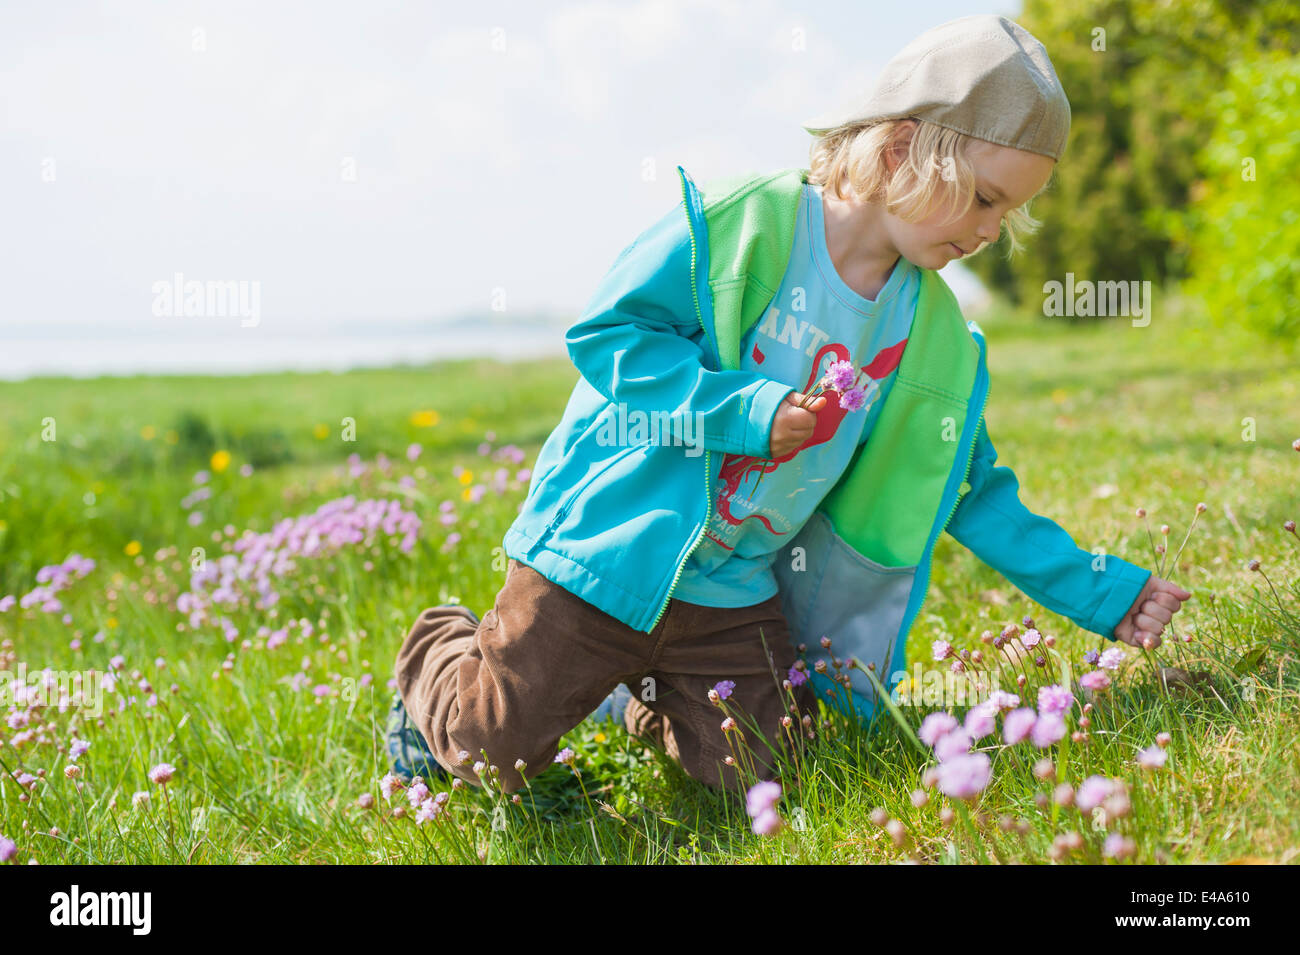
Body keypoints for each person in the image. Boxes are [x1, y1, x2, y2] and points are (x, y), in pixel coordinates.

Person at [387, 14, 1191, 794]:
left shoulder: (932, 336)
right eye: (983, 198)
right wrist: (740, 409)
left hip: (729, 590)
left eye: (1007, 212)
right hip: (609, 559)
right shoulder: (746, 225)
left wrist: (1105, 591)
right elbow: (610, 334)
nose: (990, 231)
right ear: (908, 147)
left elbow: (970, 486)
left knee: (772, 777)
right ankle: (440, 649)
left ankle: (639, 699)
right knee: (493, 745)